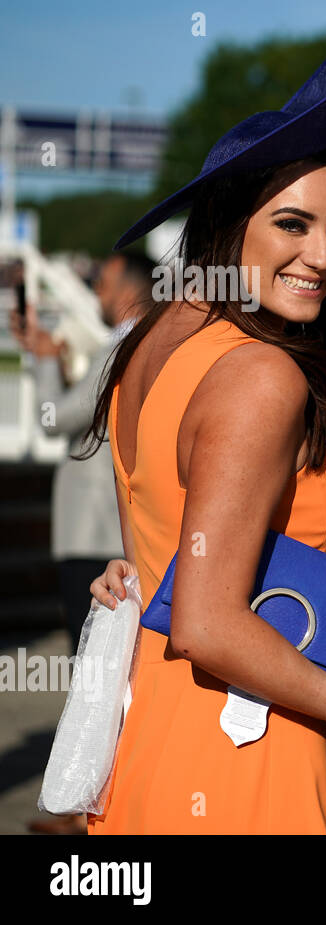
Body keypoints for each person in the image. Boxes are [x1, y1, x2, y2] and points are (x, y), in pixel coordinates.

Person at [83, 21, 326, 834]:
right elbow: (208, 620)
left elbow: (169, 546)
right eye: (293, 224)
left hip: (150, 742)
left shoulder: (160, 336)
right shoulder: (263, 373)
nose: (323, 257)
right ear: (232, 219)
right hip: (245, 757)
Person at [10, 251, 152, 836]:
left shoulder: (122, 340)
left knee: (96, 670)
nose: (97, 283)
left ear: (126, 283)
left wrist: (44, 363)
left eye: (105, 275)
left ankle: (84, 803)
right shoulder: (138, 342)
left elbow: (56, 418)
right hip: (107, 530)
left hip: (94, 533)